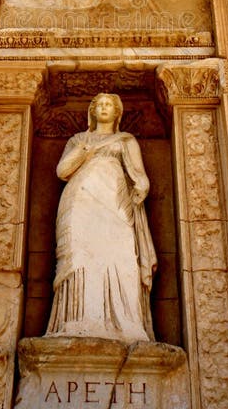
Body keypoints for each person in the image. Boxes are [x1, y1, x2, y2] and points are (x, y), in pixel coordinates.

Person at [45, 93, 156, 342]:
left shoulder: (126, 141)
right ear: (92, 112)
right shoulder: (78, 139)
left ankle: (126, 323)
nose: (104, 108)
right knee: (80, 254)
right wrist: (84, 151)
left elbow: (139, 174)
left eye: (109, 105)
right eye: (100, 105)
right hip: (79, 203)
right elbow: (62, 171)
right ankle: (77, 320)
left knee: (121, 254)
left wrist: (141, 187)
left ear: (118, 113)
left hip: (115, 202)